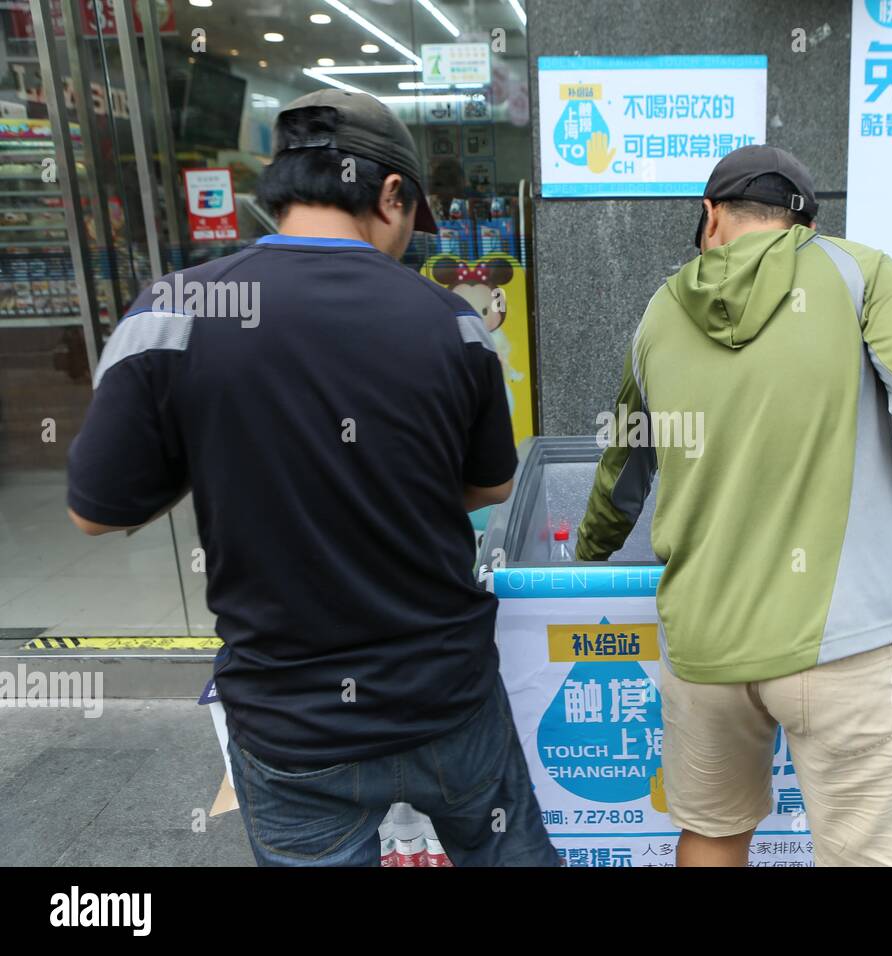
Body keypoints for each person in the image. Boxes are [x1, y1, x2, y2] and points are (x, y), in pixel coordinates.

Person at [65, 90, 559, 867]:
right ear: (390, 193)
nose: (405, 242)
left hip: (292, 726)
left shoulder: (175, 311)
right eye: (409, 218)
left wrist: (232, 462)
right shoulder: (453, 322)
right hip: (446, 703)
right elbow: (491, 486)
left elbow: (97, 512)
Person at [576, 144, 892, 867]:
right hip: (847, 643)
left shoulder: (659, 311)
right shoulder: (857, 272)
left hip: (705, 644)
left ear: (709, 216)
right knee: (881, 852)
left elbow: (624, 464)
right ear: (804, 221)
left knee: (713, 831)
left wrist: (586, 556)